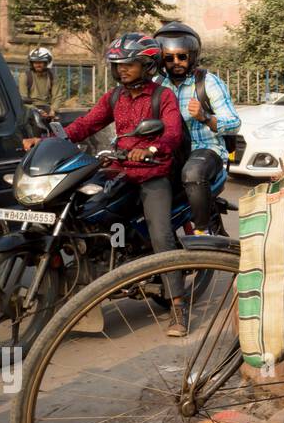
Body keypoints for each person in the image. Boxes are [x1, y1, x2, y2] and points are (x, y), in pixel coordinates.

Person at [24, 34, 189, 334]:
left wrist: (151, 148)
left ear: (147, 65)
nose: (122, 70)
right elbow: (87, 123)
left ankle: (177, 305)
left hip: (153, 173)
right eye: (118, 65)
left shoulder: (162, 96)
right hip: (118, 168)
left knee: (161, 234)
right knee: (79, 208)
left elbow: (173, 133)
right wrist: (48, 141)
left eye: (129, 64)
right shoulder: (115, 97)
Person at [154, 21, 239, 234]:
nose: (176, 63)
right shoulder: (157, 85)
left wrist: (205, 117)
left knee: (192, 173)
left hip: (206, 149)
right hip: (171, 152)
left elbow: (234, 123)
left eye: (181, 56)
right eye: (169, 58)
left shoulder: (207, 82)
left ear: (192, 56)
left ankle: (203, 231)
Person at [19, 46, 60, 122]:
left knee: (58, 126)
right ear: (31, 63)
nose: (37, 64)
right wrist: (38, 110)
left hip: (47, 107)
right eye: (35, 62)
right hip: (30, 108)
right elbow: (23, 98)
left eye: (40, 62)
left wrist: (53, 110)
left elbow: (57, 96)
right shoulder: (25, 76)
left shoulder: (53, 77)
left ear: (47, 63)